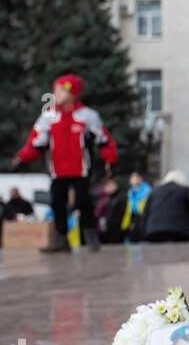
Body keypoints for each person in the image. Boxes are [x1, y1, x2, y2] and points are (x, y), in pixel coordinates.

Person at [10, 72, 117, 252]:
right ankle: (61, 239)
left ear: (73, 93)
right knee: (57, 201)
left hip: (81, 168)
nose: (55, 95)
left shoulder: (87, 115)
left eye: (60, 91)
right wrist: (23, 157)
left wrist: (110, 159)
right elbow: (36, 142)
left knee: (83, 201)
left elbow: (103, 139)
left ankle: (89, 232)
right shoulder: (48, 116)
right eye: (55, 91)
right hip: (58, 170)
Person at [141, 170, 189, 243]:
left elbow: (145, 214)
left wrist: (144, 233)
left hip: (154, 230)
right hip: (180, 231)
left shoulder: (155, 191)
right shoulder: (185, 190)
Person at [124, 171, 151, 242]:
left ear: (140, 179)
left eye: (135, 178)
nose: (133, 180)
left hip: (143, 216)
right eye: (132, 179)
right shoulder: (131, 191)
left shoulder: (147, 189)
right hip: (133, 217)